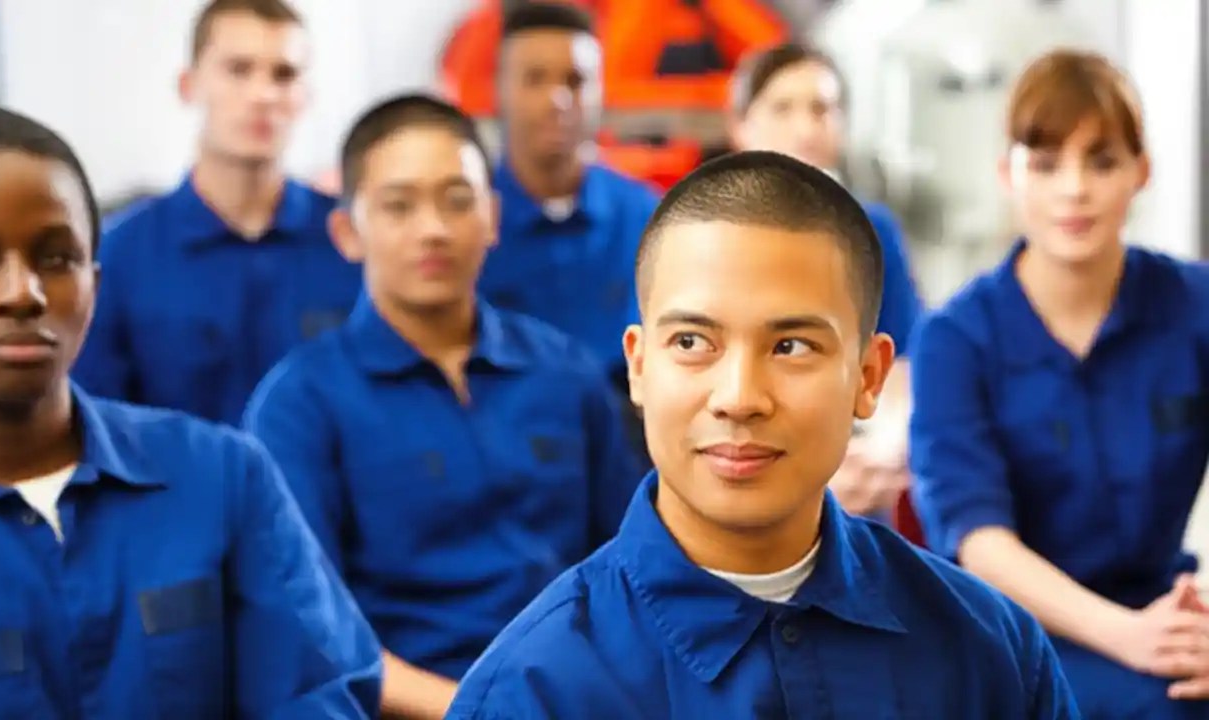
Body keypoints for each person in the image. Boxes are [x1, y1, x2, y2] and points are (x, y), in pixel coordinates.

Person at [444, 150, 1080, 718]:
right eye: (692, 342)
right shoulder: (533, 693)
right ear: (639, 367)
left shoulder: (991, 656)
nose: (740, 398)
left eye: (791, 345)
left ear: (868, 375)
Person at [0, 106, 382, 718]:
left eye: (56, 258)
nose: (22, 293)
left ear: (94, 279)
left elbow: (319, 695)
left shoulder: (221, 477)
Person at [244, 93, 641, 720]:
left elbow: (632, 569)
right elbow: (316, 639)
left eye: (457, 199)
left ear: (492, 216)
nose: (432, 227)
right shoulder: (299, 405)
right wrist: (482, 710)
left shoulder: (566, 373)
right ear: (348, 231)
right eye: (398, 205)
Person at [909, 49, 1209, 718]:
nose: (1074, 189)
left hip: (1160, 610)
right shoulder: (956, 340)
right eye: (1045, 165)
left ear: (1142, 171)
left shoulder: (1195, 306)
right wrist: (1133, 639)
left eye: (1101, 161)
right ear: (1007, 175)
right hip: (1013, 635)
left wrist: (1188, 629)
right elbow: (978, 539)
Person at [73, 0, 363, 425]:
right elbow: (95, 430)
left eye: (284, 75)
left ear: (305, 96)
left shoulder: (350, 241)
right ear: (189, 85)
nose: (263, 95)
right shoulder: (121, 255)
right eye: (239, 70)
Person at [729, 42, 924, 518]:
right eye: (782, 108)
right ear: (741, 127)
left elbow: (902, 363)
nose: (805, 127)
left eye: (822, 109)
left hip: (854, 477)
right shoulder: (706, 238)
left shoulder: (874, 233)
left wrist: (881, 452)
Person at [481, 1, 659, 390]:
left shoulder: (649, 220)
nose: (557, 99)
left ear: (601, 90)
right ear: (499, 89)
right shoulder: (466, 226)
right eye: (535, 78)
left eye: (575, 80)